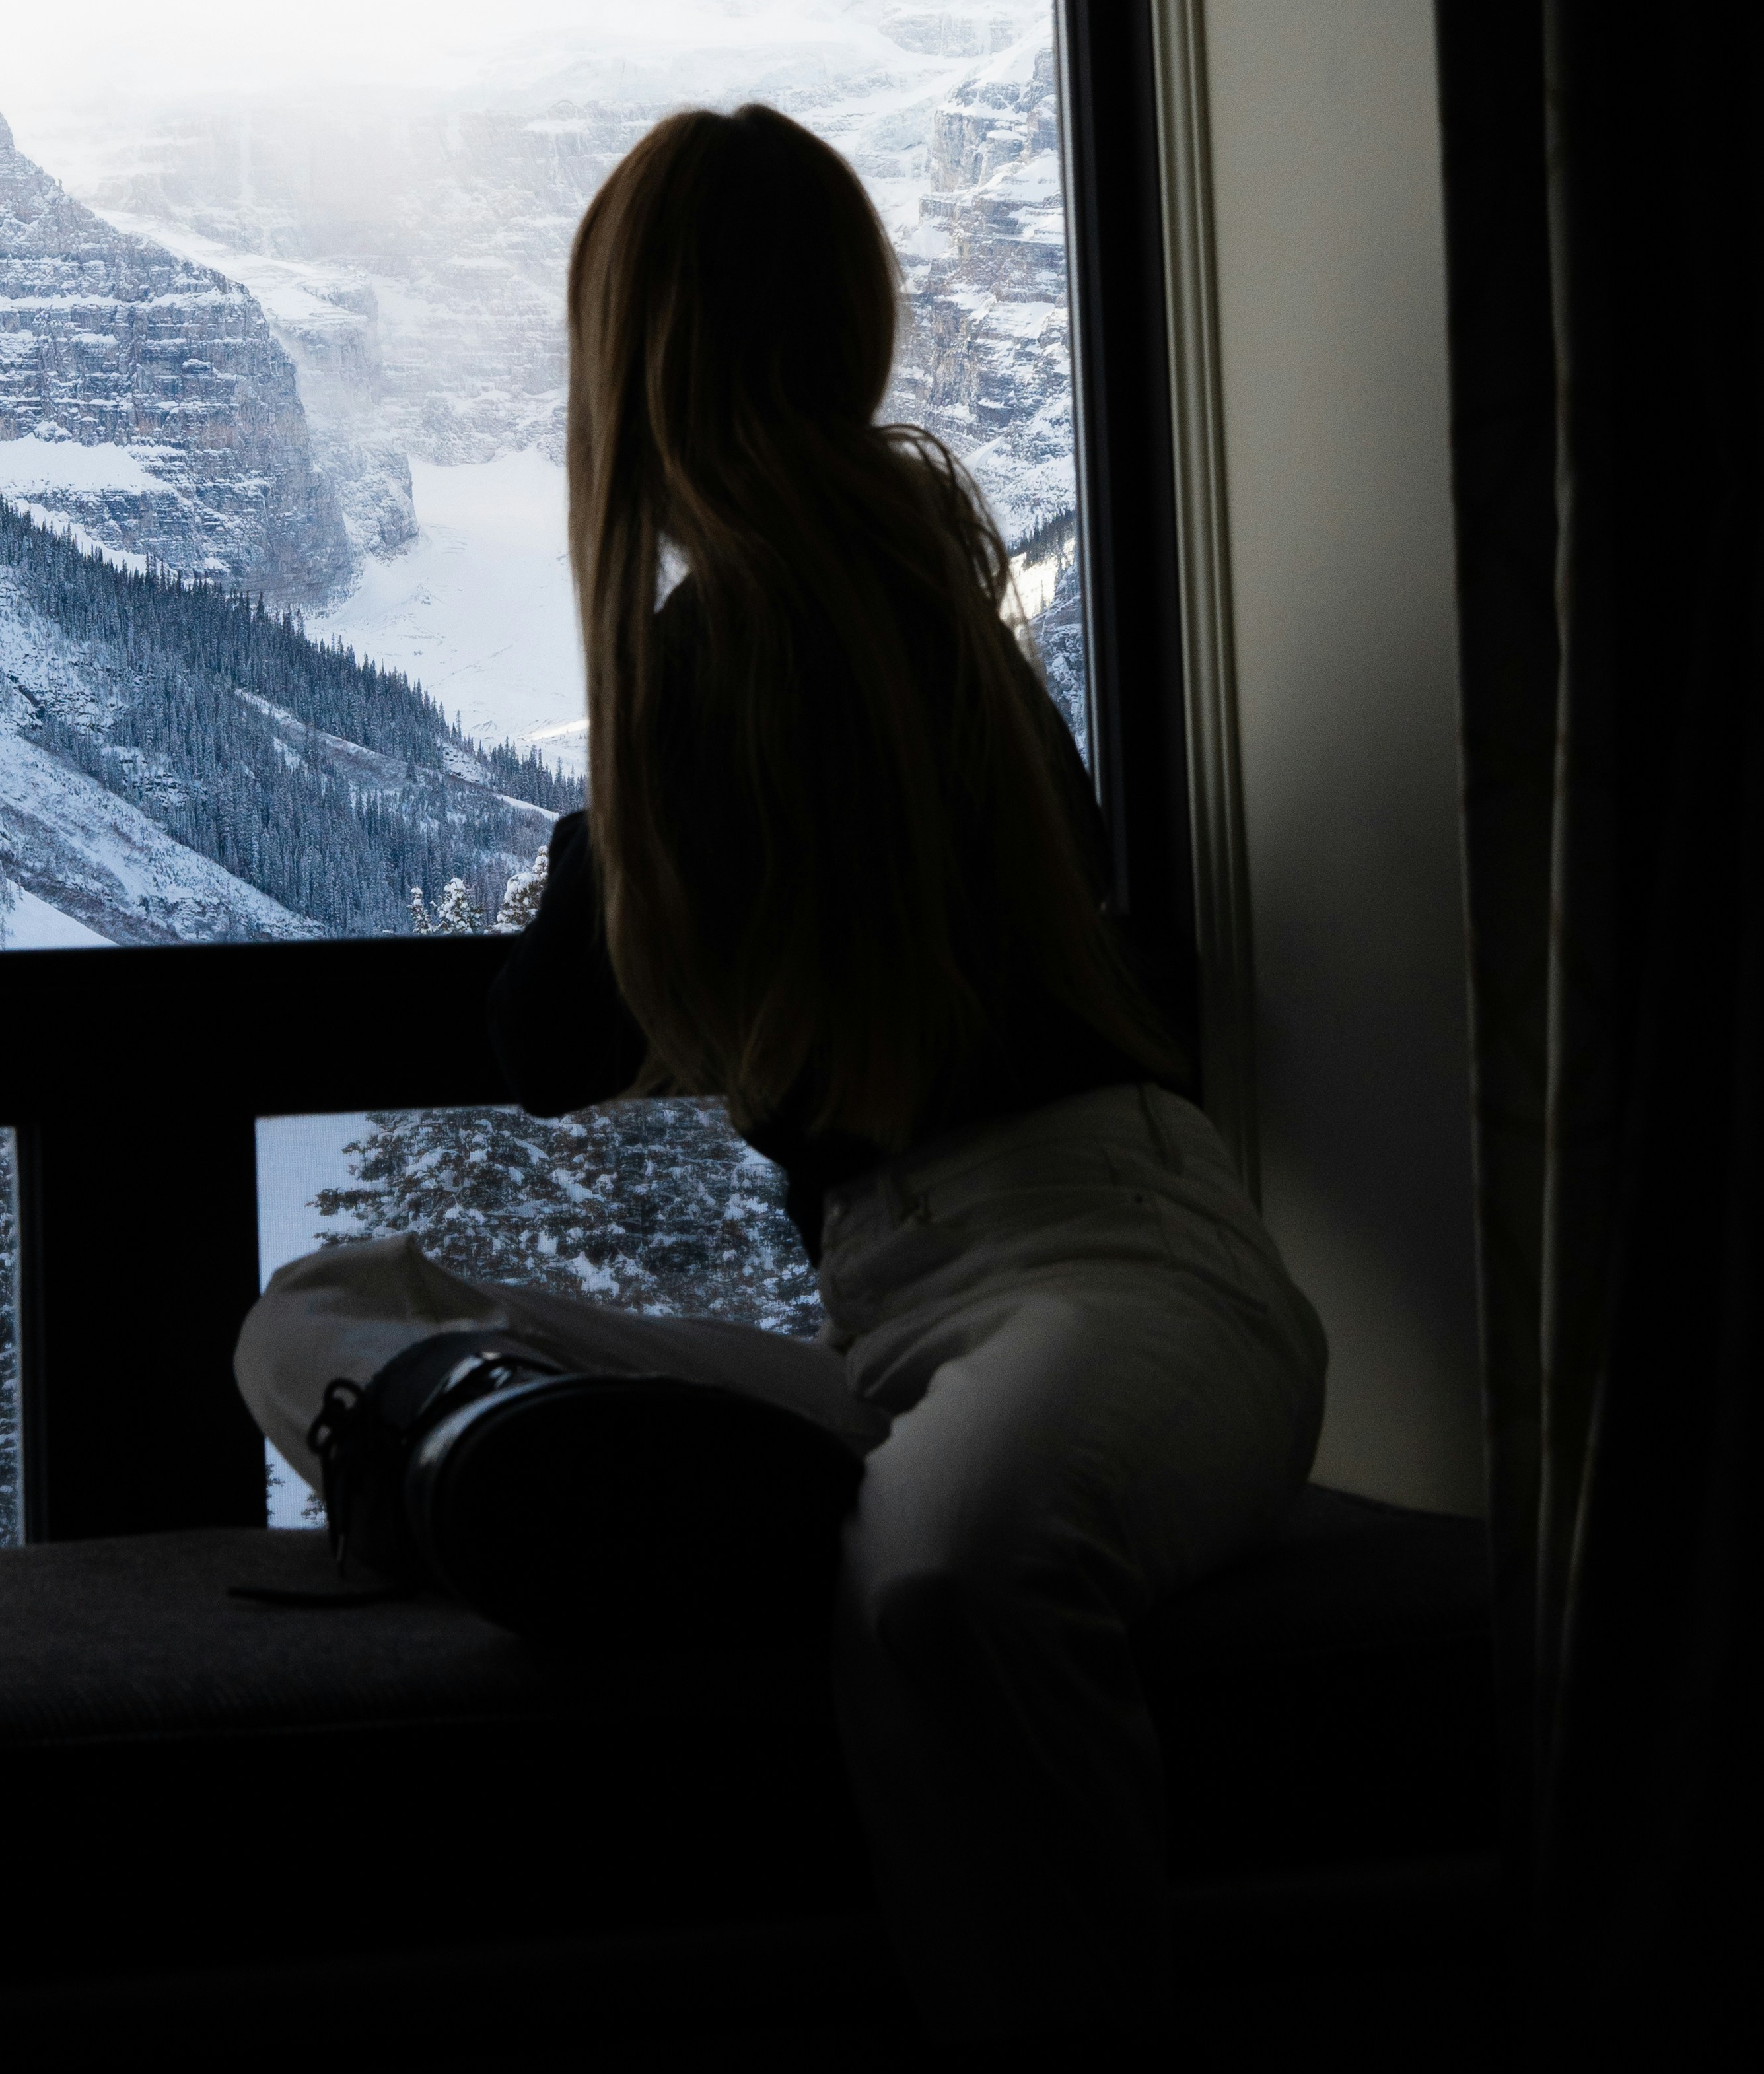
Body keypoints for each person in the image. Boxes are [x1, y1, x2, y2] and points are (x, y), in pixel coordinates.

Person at [236, 104, 1325, 2043]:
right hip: (917, 1332)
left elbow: (551, 1041)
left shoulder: (770, 644)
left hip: (1124, 1280)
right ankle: (507, 1447)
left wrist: (620, 837)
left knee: (944, 1581)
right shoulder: (938, 622)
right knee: (332, 1305)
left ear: (629, 351)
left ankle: (467, 1453)